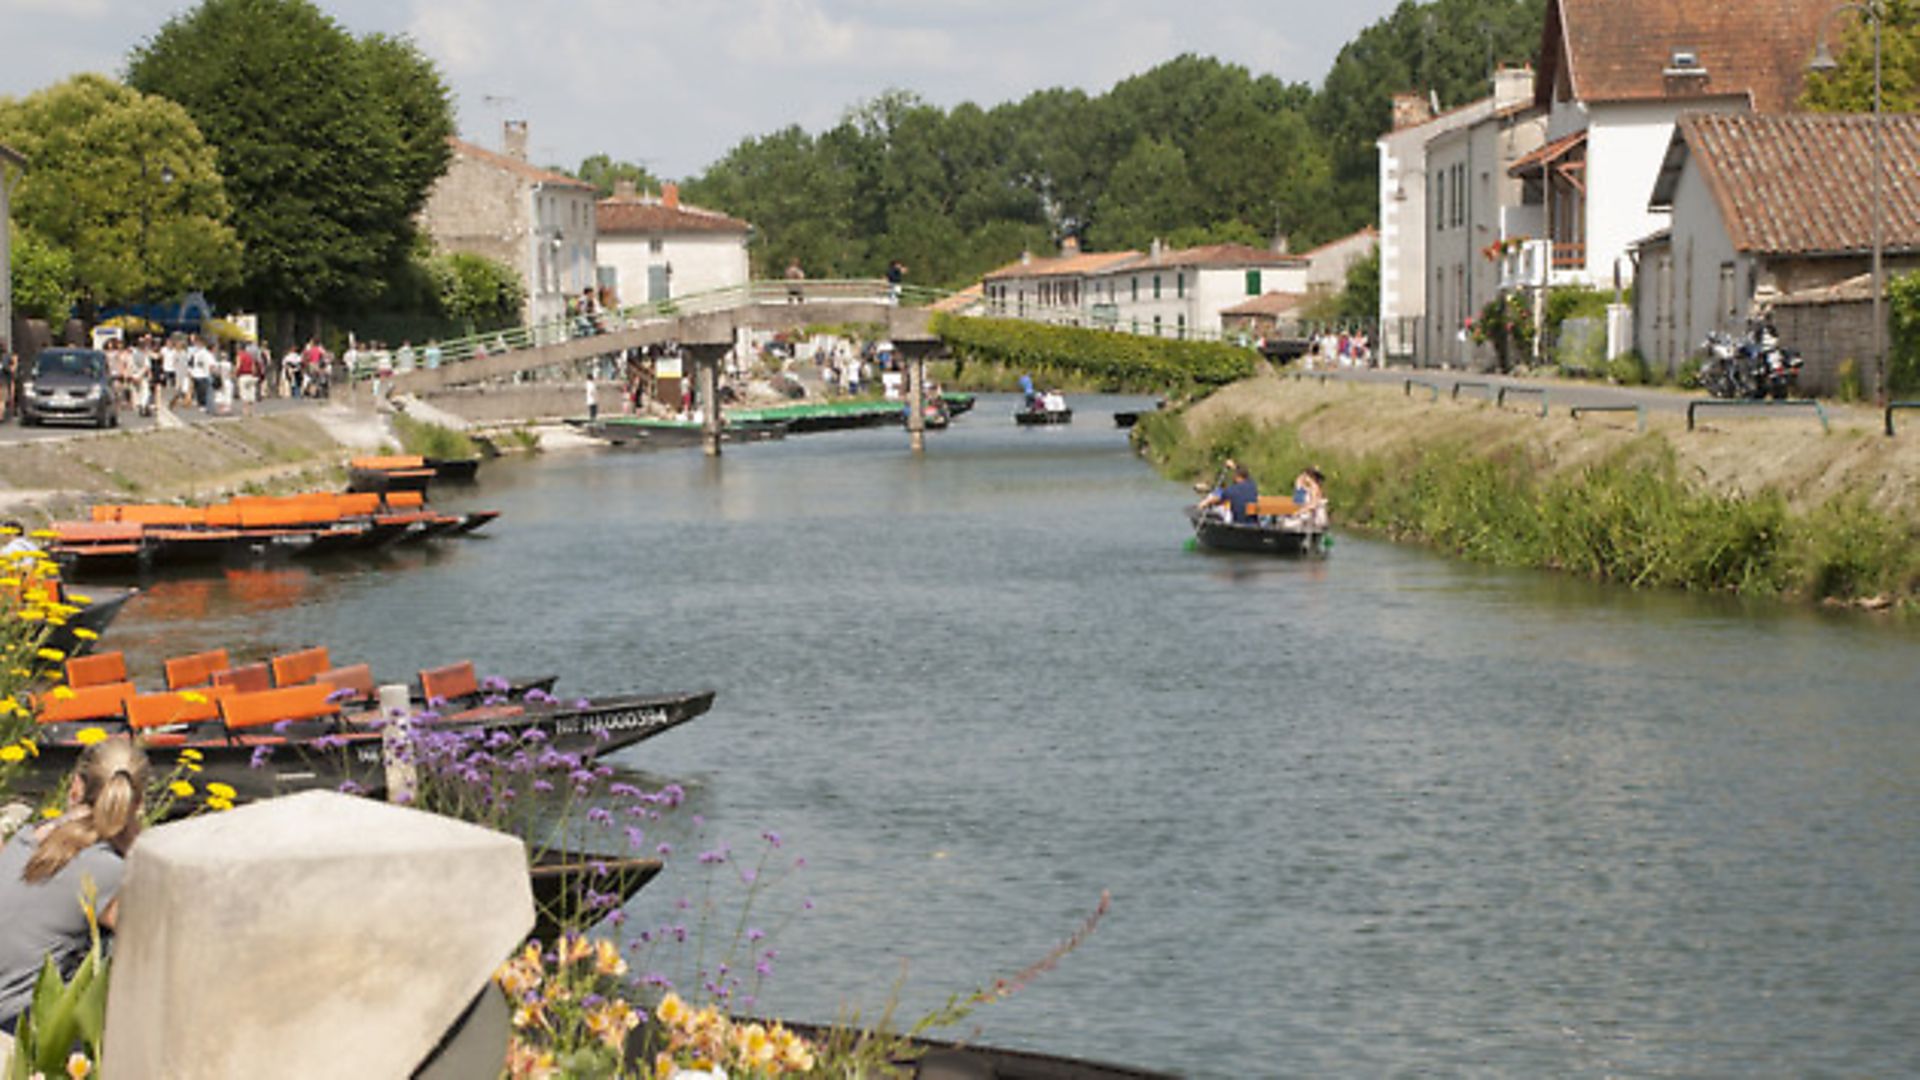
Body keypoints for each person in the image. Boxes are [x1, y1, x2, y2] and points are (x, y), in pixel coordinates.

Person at [0, 736, 149, 1035]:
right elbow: (156, 938)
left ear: (76, 786)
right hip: (28, 1029)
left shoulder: (28, 837)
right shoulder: (108, 870)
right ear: (137, 801)